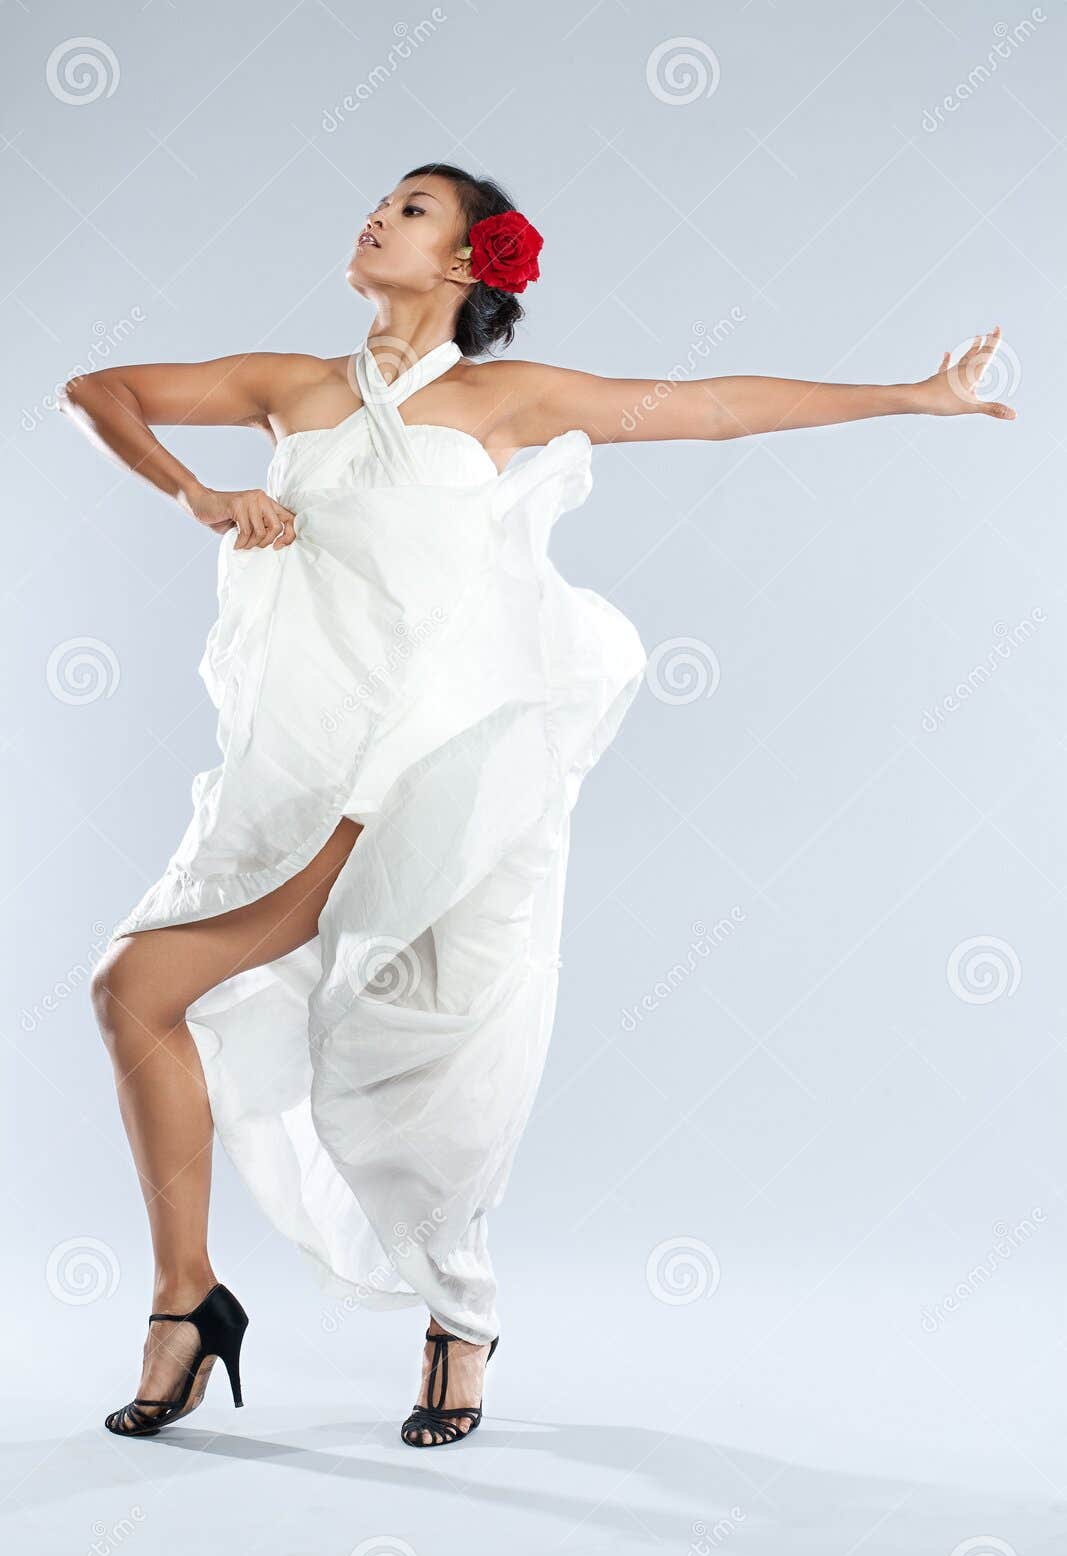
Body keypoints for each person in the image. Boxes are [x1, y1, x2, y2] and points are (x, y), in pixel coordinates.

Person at [61, 160, 1014, 1449]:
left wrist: (916, 395)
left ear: (466, 262)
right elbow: (99, 389)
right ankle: (192, 1296)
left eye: (411, 208)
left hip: (437, 763)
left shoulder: (509, 399)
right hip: (295, 760)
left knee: (447, 1051)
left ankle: (456, 1314)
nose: (376, 214)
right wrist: (199, 489)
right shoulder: (290, 383)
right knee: (134, 989)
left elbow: (720, 406)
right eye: (380, 200)